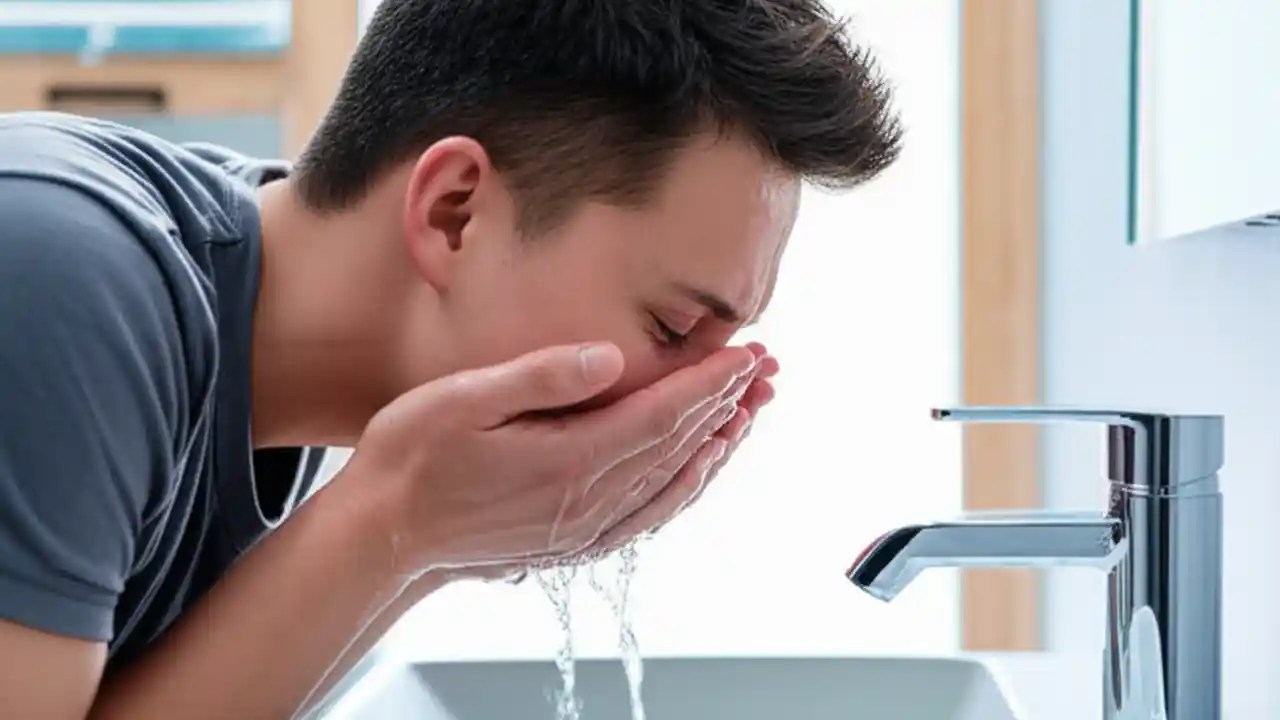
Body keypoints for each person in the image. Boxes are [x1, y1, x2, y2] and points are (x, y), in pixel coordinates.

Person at [0, 0, 901, 717]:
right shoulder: (59, 274)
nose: (693, 395)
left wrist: (423, 544)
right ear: (454, 212)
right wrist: (388, 523)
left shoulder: (274, 374)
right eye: (670, 330)